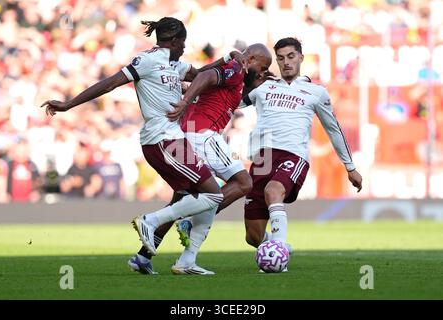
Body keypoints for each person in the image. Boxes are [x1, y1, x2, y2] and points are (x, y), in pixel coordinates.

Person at [41, 17, 242, 275]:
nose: (184, 47)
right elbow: (110, 83)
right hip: (162, 141)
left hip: (172, 140)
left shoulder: (175, 64)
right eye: (183, 42)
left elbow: (201, 74)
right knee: (213, 195)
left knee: (183, 196)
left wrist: (227, 59)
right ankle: (151, 220)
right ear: (175, 40)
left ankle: (143, 258)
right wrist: (69, 104)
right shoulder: (146, 61)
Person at [129, 43, 272, 275]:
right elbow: (206, 75)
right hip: (202, 135)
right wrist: (185, 102)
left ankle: (149, 257)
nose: (263, 72)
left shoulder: (235, 79)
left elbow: (225, 95)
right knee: (242, 183)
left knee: (184, 199)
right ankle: (164, 220)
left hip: (189, 134)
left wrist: (255, 83)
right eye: (263, 67)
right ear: (252, 58)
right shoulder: (235, 67)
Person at [240, 37, 363, 271]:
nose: (286, 62)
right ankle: (277, 245)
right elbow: (232, 104)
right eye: (281, 58)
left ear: (301, 58)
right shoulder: (264, 87)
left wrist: (350, 167)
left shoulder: (315, 92)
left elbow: (333, 129)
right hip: (262, 159)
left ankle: (279, 255)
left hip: (293, 155)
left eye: (291, 56)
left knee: (273, 190)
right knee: (253, 237)